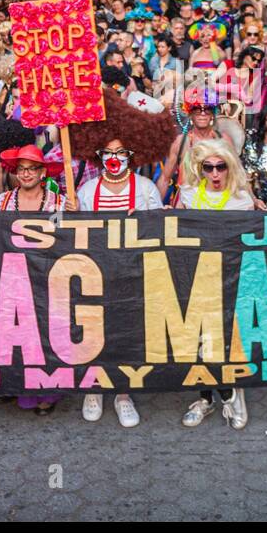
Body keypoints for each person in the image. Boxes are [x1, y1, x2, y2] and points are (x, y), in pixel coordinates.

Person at [70, 87, 178, 428]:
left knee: (128, 336)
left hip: (133, 278)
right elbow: (73, 240)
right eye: (108, 153)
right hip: (95, 277)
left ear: (131, 155)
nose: (114, 159)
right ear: (99, 155)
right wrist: (69, 215)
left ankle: (123, 394)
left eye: (121, 153)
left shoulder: (146, 190)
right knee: (94, 336)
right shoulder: (85, 193)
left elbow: (161, 234)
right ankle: (94, 388)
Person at [176, 138, 253, 430]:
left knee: (225, 339)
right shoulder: (188, 195)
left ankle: (234, 393)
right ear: (200, 168)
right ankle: (211, 397)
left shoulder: (242, 199)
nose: (215, 173)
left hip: (230, 275)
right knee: (197, 340)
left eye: (221, 166)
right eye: (208, 167)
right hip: (194, 274)